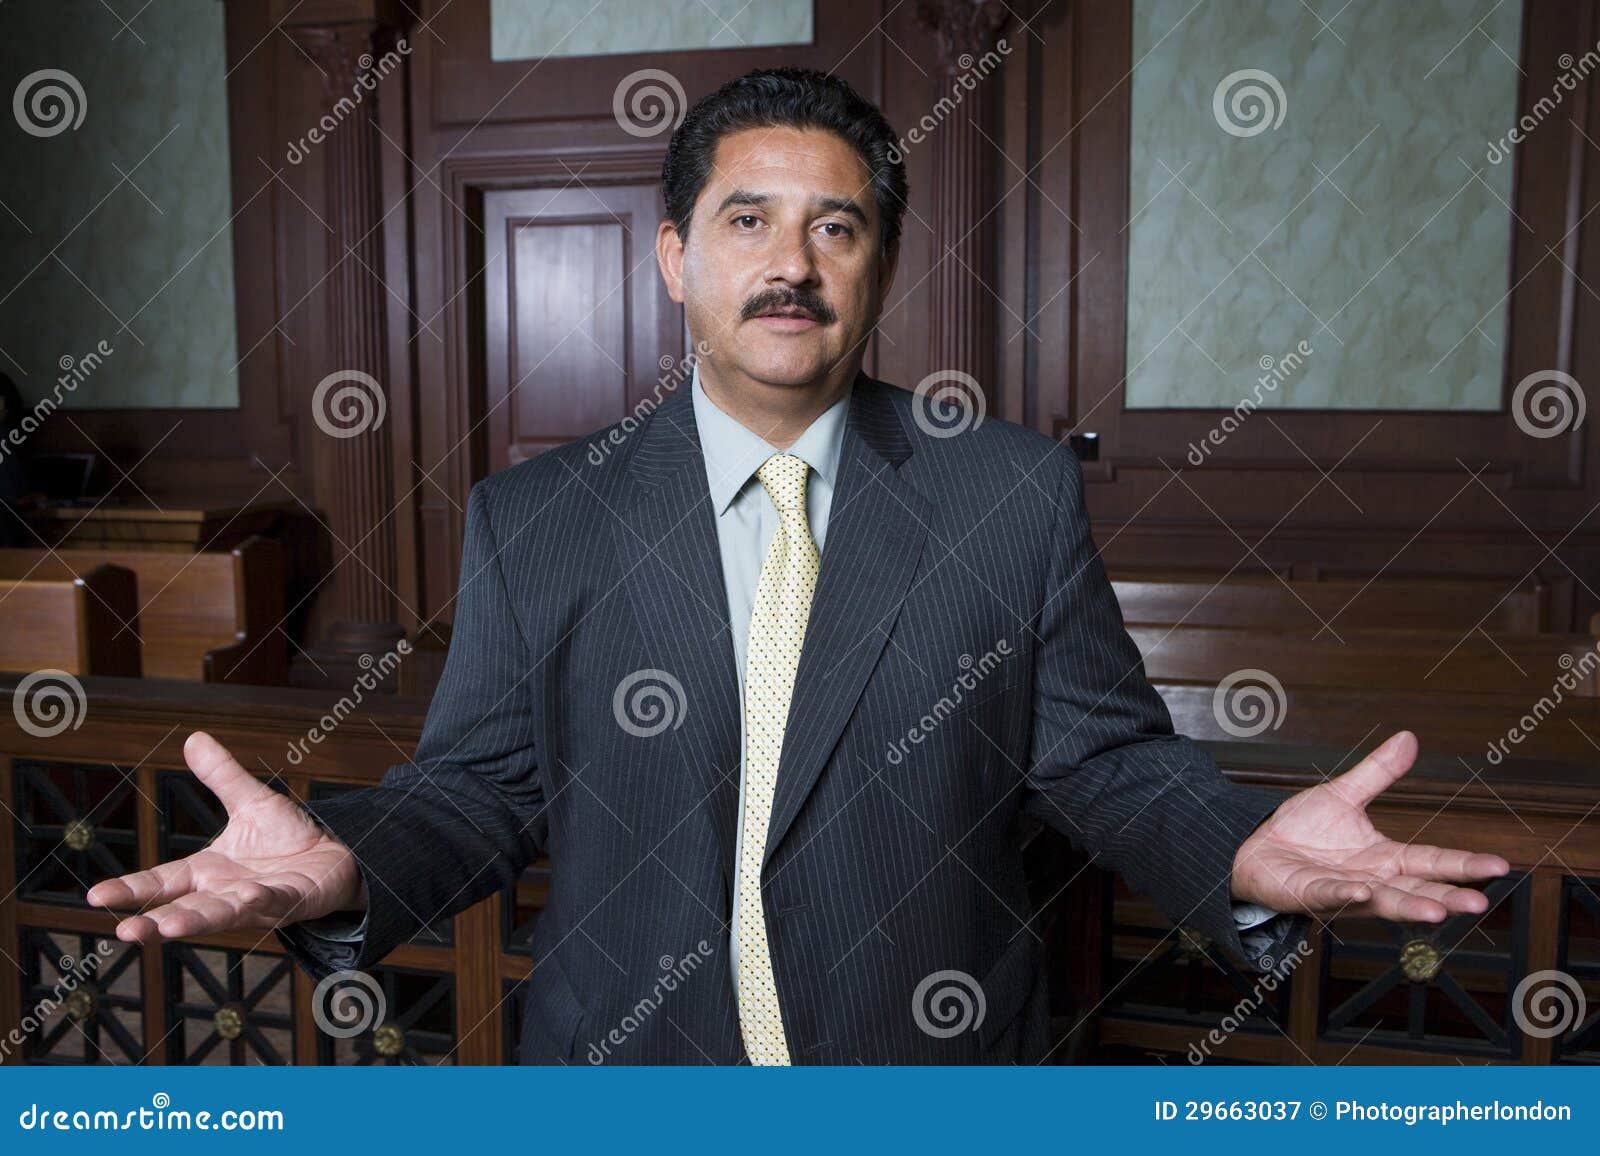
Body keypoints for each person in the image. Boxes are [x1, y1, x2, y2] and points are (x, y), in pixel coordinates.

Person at [86, 67, 1508, 1064]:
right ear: (672, 257)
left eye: (839, 226)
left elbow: (1106, 764)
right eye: (747, 219)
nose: (794, 262)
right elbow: (482, 788)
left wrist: (1244, 849)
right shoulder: (542, 513)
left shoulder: (1003, 493)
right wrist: (342, 864)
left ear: (880, 266)